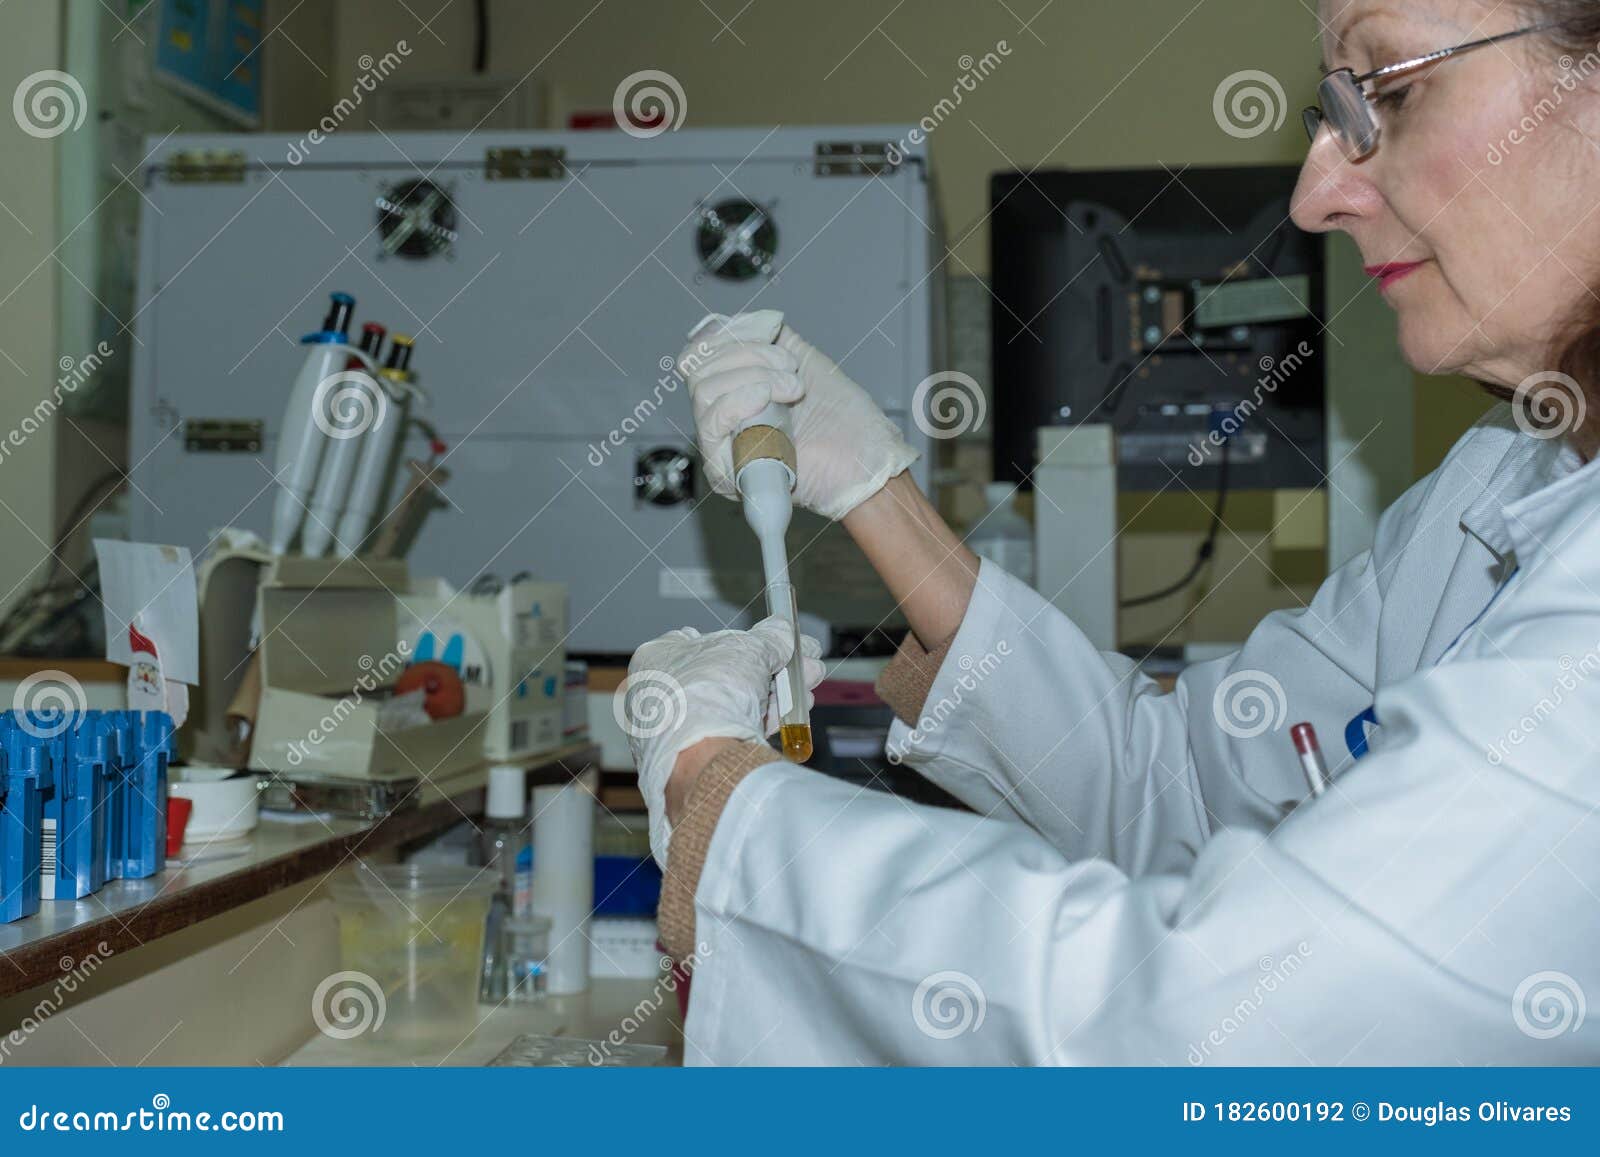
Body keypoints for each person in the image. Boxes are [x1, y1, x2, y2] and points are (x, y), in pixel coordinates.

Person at [625, 0, 1600, 1064]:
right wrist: (874, 491)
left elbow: (1222, 1023)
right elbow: (1178, 789)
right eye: (1332, 109)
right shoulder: (1506, 473)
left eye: (1393, 92)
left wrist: (722, 802)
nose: (1314, 195)